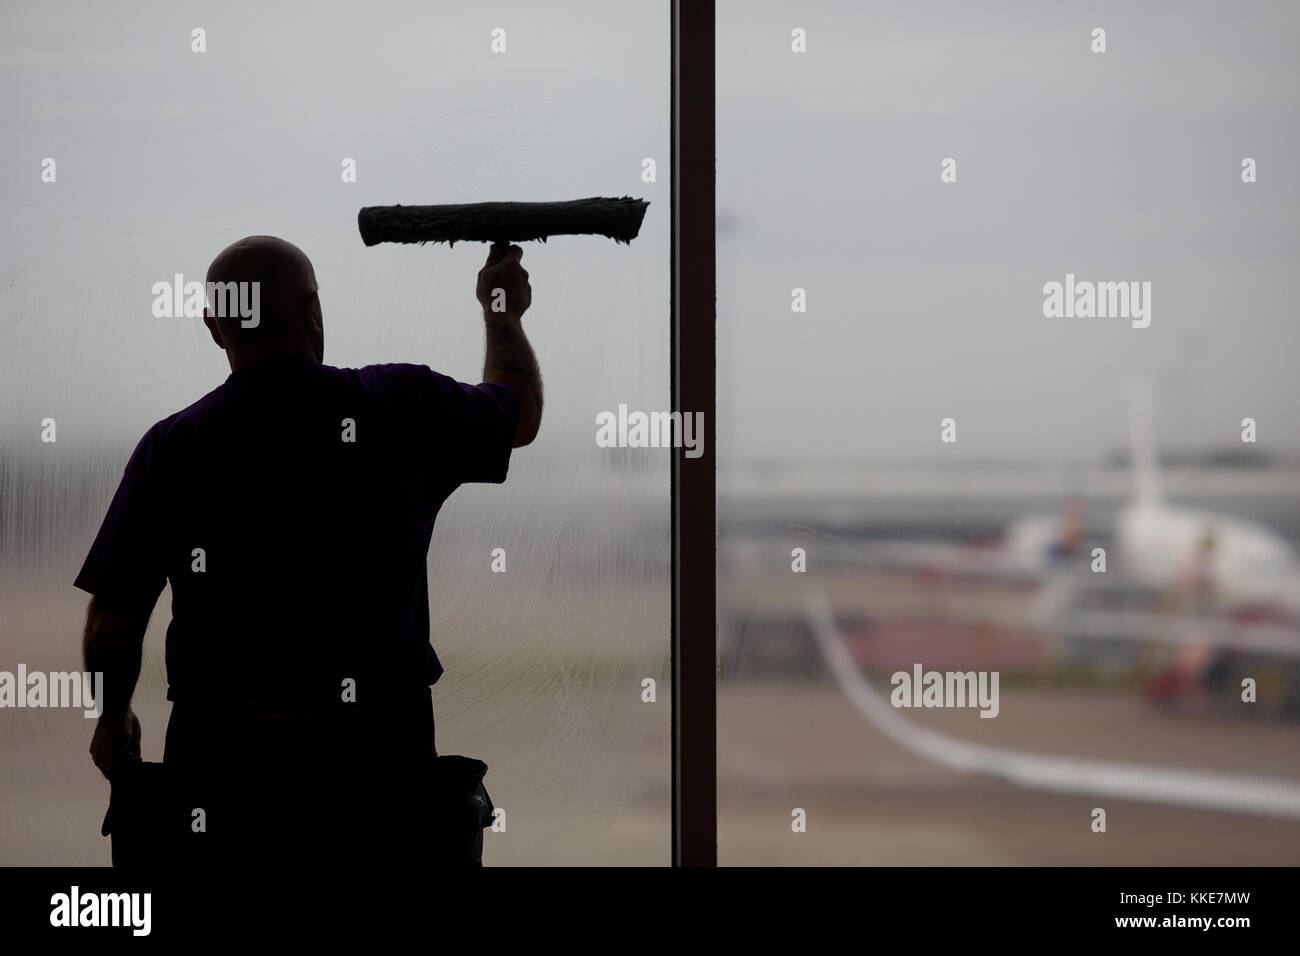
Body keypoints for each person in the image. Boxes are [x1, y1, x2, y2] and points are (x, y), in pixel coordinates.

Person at [77, 236, 541, 867]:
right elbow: (516, 415)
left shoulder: (172, 449)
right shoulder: (400, 407)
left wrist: (113, 719)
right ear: (314, 312)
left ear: (215, 328)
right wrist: (501, 311)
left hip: (222, 778)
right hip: (377, 780)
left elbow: (114, 617)